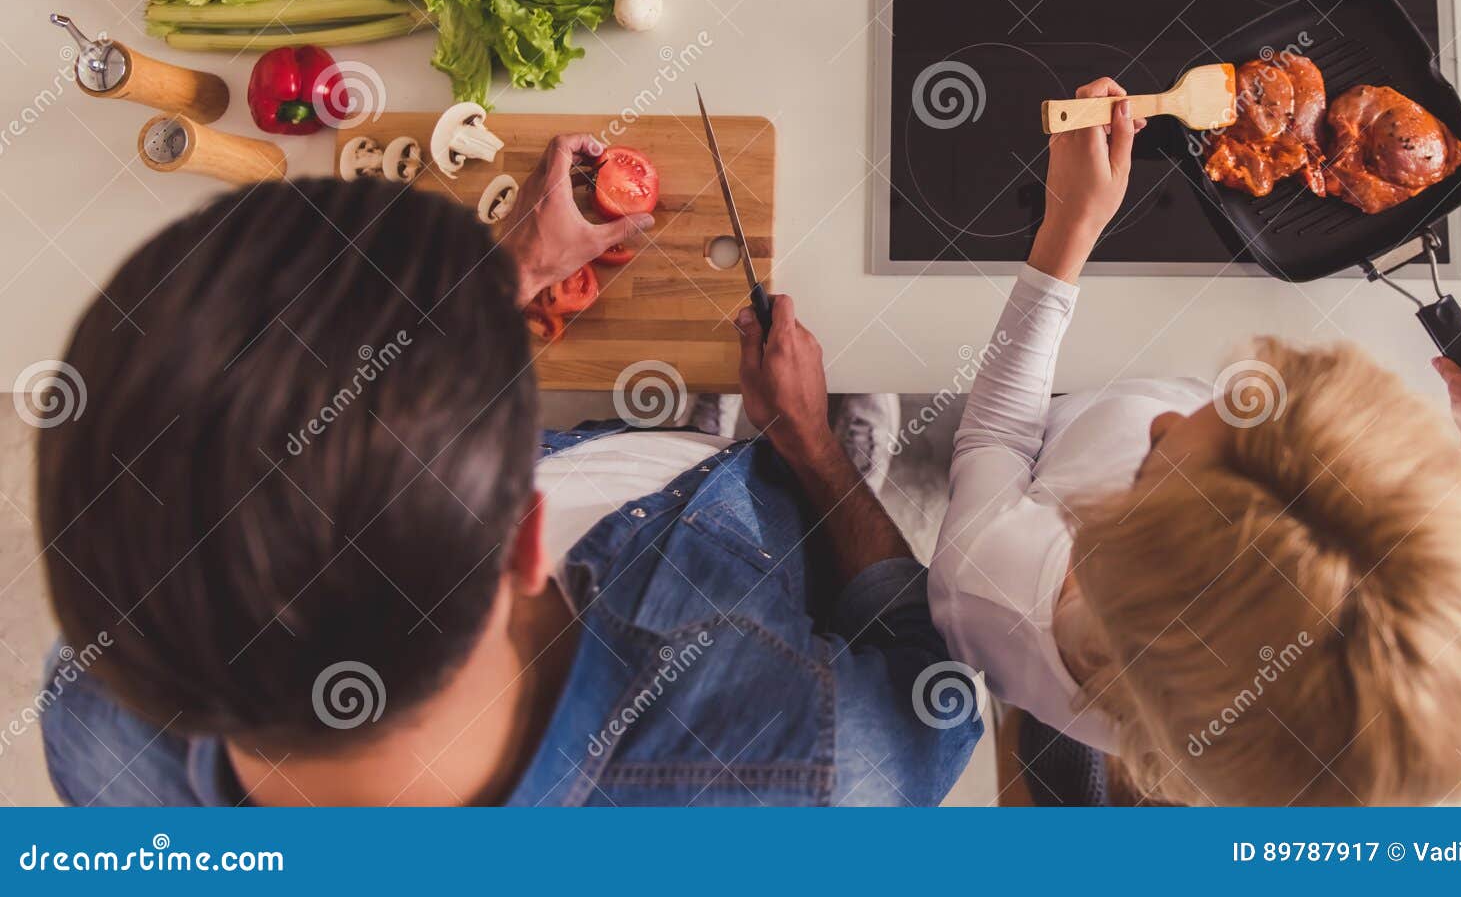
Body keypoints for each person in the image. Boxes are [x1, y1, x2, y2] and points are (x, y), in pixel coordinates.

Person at [37, 134, 979, 807]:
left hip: (611, 465)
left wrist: (503, 282)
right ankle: (811, 464)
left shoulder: (96, 707)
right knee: (811, 467)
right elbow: (928, 692)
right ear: (531, 540)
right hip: (744, 527)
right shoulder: (810, 769)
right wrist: (813, 450)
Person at [929, 79, 1461, 806]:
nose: (1165, 424)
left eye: (1153, 466)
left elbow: (995, 438)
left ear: (1106, 557)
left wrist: (1067, 229)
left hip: (1064, 416)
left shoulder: (990, 586)